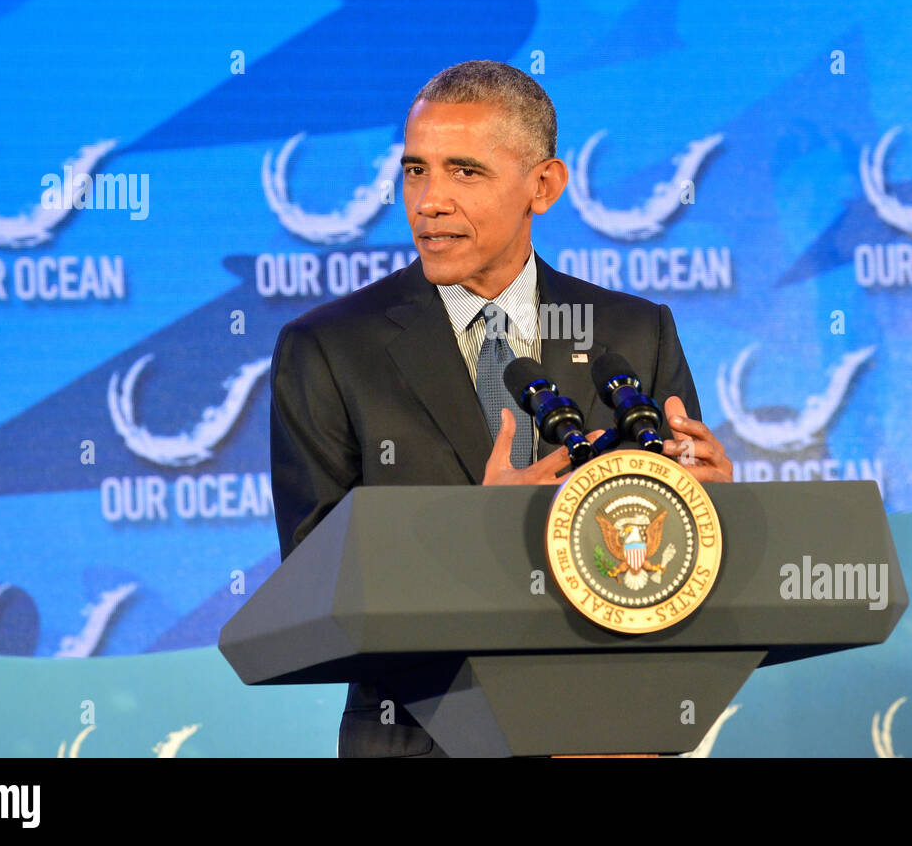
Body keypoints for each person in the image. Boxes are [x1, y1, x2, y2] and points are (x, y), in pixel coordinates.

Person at [269, 60, 732, 757]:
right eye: (415, 171)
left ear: (543, 186)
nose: (428, 201)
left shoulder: (631, 332)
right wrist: (474, 533)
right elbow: (313, 583)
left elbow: (666, 561)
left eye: (465, 172)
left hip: (606, 734)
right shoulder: (331, 347)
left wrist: (711, 510)